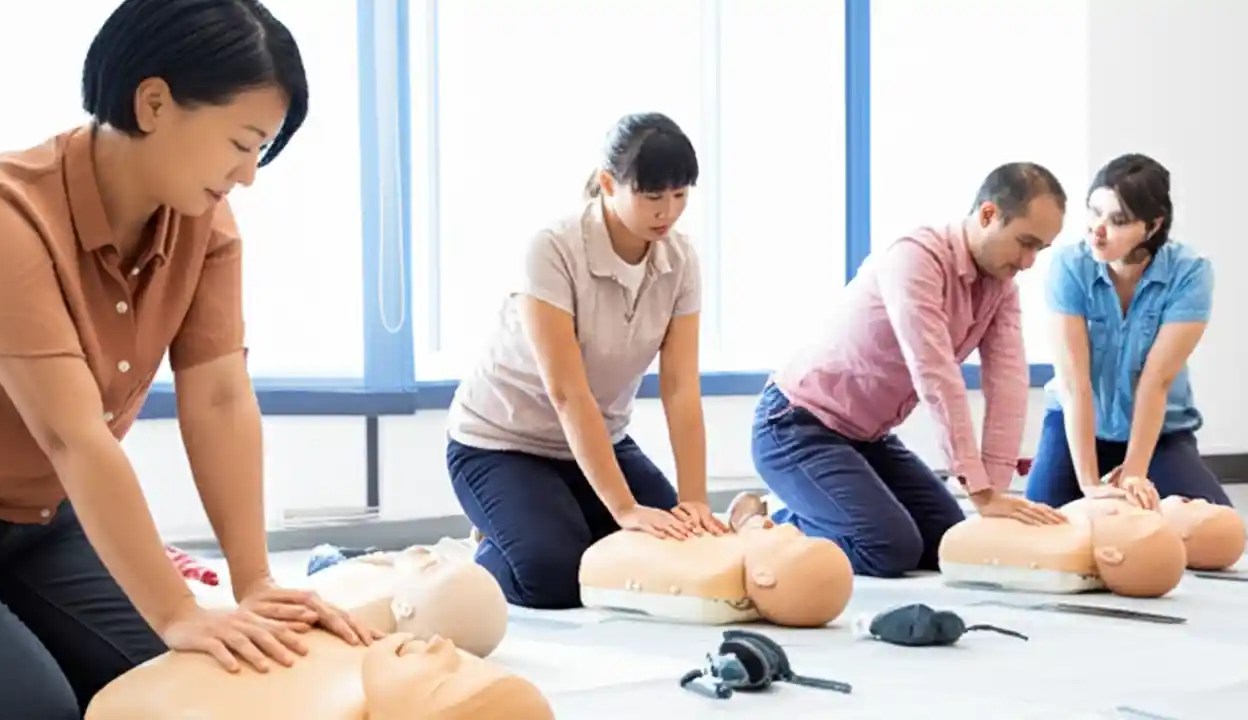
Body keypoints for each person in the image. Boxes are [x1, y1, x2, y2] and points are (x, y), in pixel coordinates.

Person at [0, 1, 373, 717]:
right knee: (33, 707)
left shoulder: (205, 223)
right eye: (243, 142)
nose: (249, 174)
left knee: (191, 683)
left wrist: (254, 584)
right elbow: (72, 435)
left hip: (39, 522)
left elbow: (218, 400)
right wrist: (178, 610)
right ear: (153, 102)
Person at [445, 112, 728, 610]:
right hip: (501, 444)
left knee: (678, 549)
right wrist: (623, 508)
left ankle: (548, 519)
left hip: (598, 442)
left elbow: (681, 387)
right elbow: (567, 392)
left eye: (680, 195)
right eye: (652, 196)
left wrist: (695, 503)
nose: (668, 211)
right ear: (607, 183)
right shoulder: (552, 248)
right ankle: (485, 549)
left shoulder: (680, 261)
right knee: (552, 577)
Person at [750, 162, 1070, 579]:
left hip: (865, 438)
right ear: (989, 214)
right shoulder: (915, 257)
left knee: (947, 541)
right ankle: (769, 519)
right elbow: (935, 373)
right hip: (795, 425)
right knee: (888, 547)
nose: (1028, 262)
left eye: (1039, 250)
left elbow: (1007, 381)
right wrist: (978, 488)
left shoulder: (1000, 286)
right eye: (1024, 243)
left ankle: (815, 508)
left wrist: (993, 492)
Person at [1025, 153, 1231, 510]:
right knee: (1045, 522)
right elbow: (1076, 384)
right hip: (1076, 424)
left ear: (1152, 227)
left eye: (1118, 220)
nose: (1097, 229)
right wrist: (1090, 484)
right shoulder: (1069, 266)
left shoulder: (1190, 273)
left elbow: (1156, 381)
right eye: (1093, 211)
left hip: (1161, 433)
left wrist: (1134, 475)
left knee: (1217, 527)